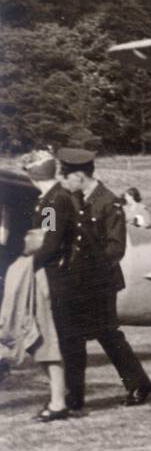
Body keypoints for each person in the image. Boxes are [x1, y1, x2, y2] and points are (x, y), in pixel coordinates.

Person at [56, 148, 151, 409]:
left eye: (66, 176)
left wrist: (86, 271)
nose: (63, 181)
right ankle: (72, 396)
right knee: (73, 338)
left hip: (100, 282)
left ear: (78, 175)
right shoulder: (75, 198)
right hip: (77, 282)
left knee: (107, 334)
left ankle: (138, 384)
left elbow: (115, 248)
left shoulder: (108, 202)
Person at [0, 150, 74, 421]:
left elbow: (49, 242)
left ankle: (58, 402)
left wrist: (26, 263)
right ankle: (59, 398)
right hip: (43, 272)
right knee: (41, 340)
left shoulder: (53, 202)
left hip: (44, 275)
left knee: (44, 339)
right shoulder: (52, 199)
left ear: (32, 175)